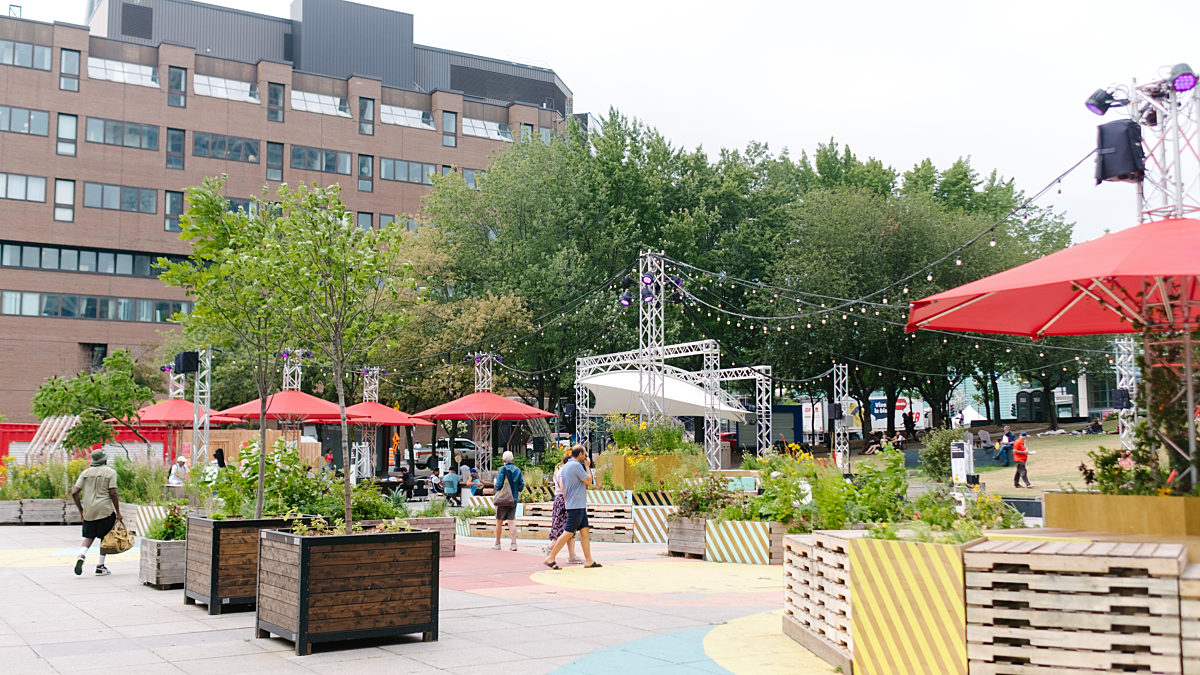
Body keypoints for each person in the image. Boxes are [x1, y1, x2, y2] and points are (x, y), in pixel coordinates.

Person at [543, 446, 600, 570]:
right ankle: (551, 557)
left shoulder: (565, 467)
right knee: (568, 532)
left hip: (576, 503)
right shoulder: (576, 466)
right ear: (580, 454)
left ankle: (589, 560)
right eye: (584, 454)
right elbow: (589, 481)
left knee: (584, 531)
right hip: (576, 505)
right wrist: (588, 466)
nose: (586, 457)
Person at [71, 450, 122, 576]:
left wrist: (81, 510)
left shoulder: (85, 473)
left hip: (89, 511)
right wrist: (118, 512)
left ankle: (81, 556)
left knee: (89, 536)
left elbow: (74, 492)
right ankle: (100, 566)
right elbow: (113, 493)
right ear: (104, 460)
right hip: (105, 510)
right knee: (105, 538)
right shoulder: (110, 472)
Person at [544, 449, 582, 564]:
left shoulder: (563, 470)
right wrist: (567, 504)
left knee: (570, 530)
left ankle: (572, 555)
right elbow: (564, 488)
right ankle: (550, 548)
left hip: (562, 500)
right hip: (563, 501)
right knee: (565, 530)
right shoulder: (564, 471)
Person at [493, 451, 524, 550]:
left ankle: (497, 544)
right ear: (513, 459)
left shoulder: (503, 469)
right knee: (511, 521)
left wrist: (495, 486)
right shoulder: (518, 470)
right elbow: (521, 486)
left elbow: (498, 484)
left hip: (503, 498)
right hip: (513, 498)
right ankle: (513, 544)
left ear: (503, 460)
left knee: (499, 521)